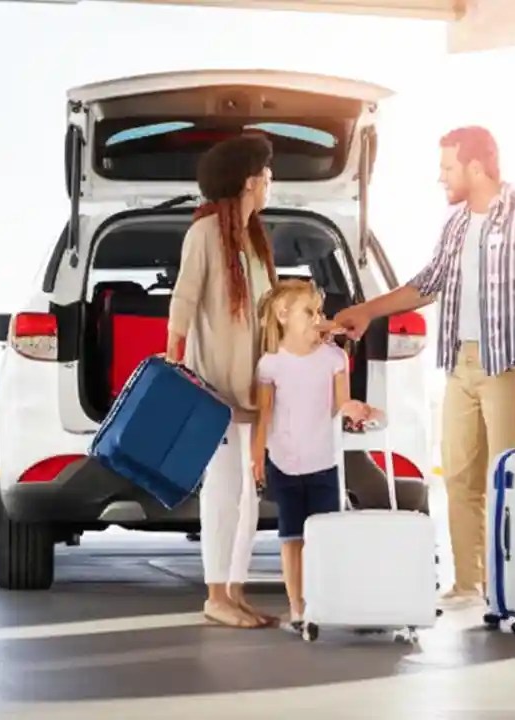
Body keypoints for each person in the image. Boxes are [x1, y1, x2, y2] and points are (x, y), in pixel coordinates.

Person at [330, 126, 515, 610]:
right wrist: (366, 311)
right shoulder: (457, 223)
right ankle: (468, 584)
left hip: (506, 365)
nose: (441, 177)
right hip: (459, 364)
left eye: (448, 168)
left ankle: (514, 583)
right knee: (459, 475)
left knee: (506, 477)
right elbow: (428, 283)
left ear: (476, 167)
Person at [167, 134, 279, 629]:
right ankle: (215, 594)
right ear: (252, 181)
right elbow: (183, 301)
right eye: (269, 175)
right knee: (224, 488)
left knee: (249, 493)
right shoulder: (206, 232)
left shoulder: (253, 239)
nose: (272, 182)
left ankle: (234, 590)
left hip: (252, 387)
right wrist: (175, 369)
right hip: (213, 387)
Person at [250, 280, 378, 632]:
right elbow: (265, 413)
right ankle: (297, 605)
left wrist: (357, 409)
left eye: (319, 312)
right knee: (291, 537)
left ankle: (327, 599)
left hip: (324, 462)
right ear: (283, 315)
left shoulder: (334, 358)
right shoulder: (270, 365)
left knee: (323, 535)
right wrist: (257, 456)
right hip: (284, 462)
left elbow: (341, 403)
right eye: (310, 311)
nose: (318, 318)